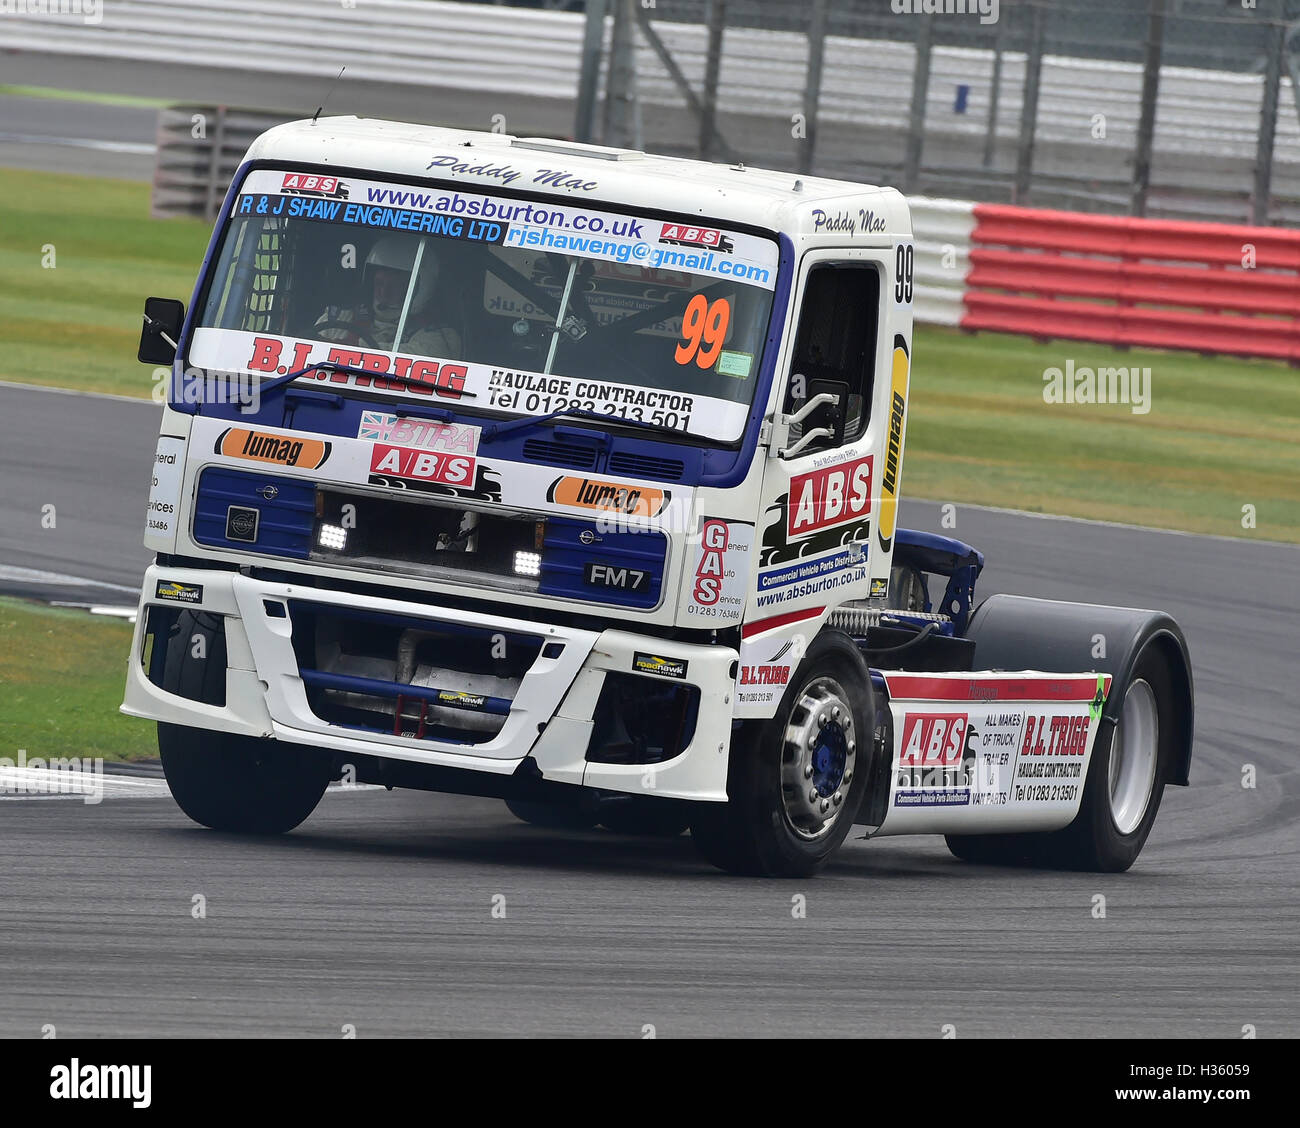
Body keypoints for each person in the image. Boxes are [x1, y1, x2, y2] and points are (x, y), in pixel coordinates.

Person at [315, 235, 462, 358]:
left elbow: (407, 362)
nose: (384, 293)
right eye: (379, 283)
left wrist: (347, 347)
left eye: (395, 285)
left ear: (420, 288)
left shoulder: (441, 338)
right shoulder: (338, 319)